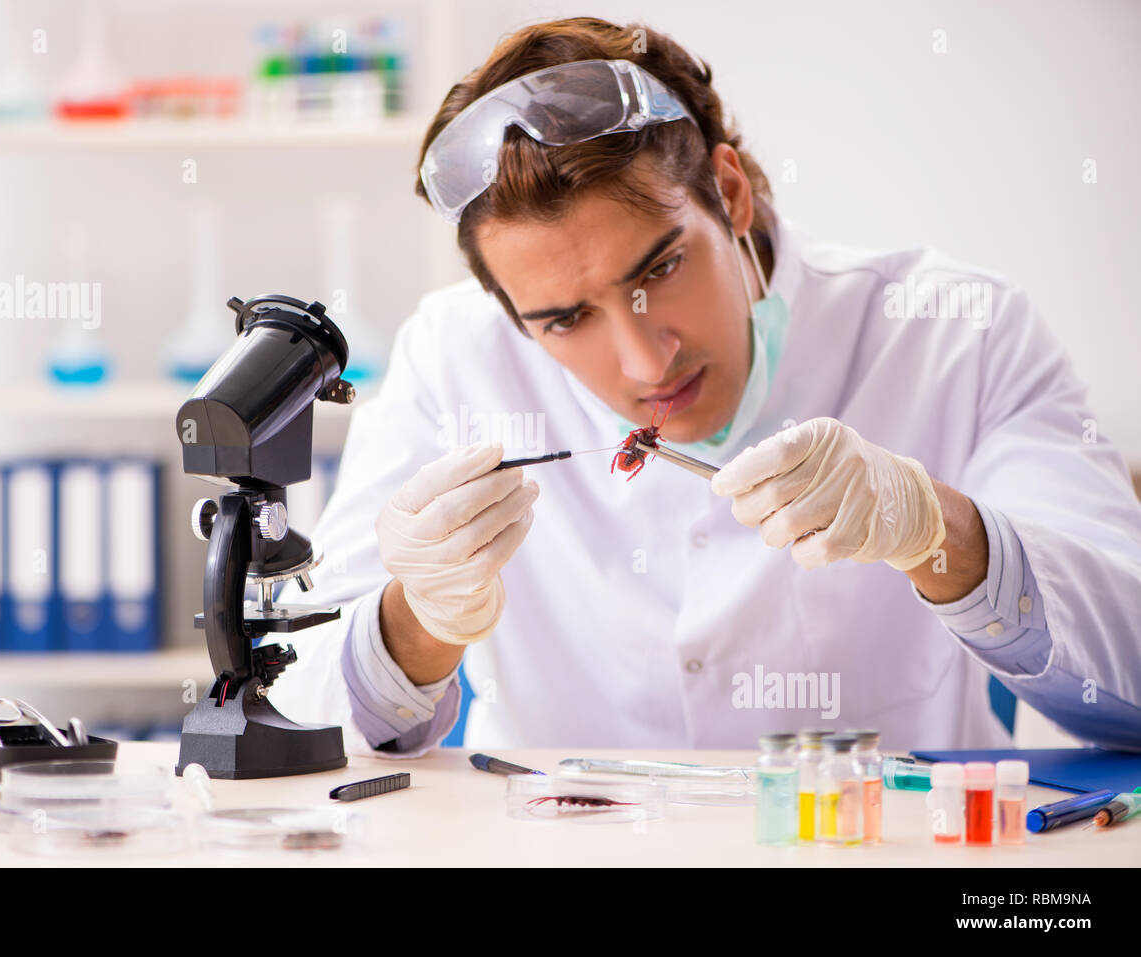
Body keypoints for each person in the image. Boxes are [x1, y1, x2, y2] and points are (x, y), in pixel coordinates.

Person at [274, 17, 1141, 755]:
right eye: (565, 319)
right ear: (506, 312)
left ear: (729, 193)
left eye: (663, 266)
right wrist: (420, 620)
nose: (648, 363)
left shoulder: (958, 331)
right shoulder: (448, 358)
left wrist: (938, 529)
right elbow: (294, 712)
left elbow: (1131, 676)